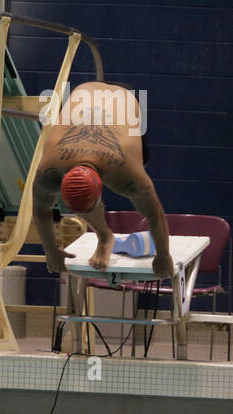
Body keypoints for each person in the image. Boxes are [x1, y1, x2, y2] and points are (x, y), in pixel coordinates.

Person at [32, 81, 173, 279]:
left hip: (124, 100)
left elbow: (154, 214)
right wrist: (51, 251)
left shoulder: (130, 173)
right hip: (85, 92)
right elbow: (40, 211)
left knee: (144, 160)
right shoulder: (48, 167)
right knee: (80, 200)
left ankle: (105, 236)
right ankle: (105, 236)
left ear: (101, 191)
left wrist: (164, 255)